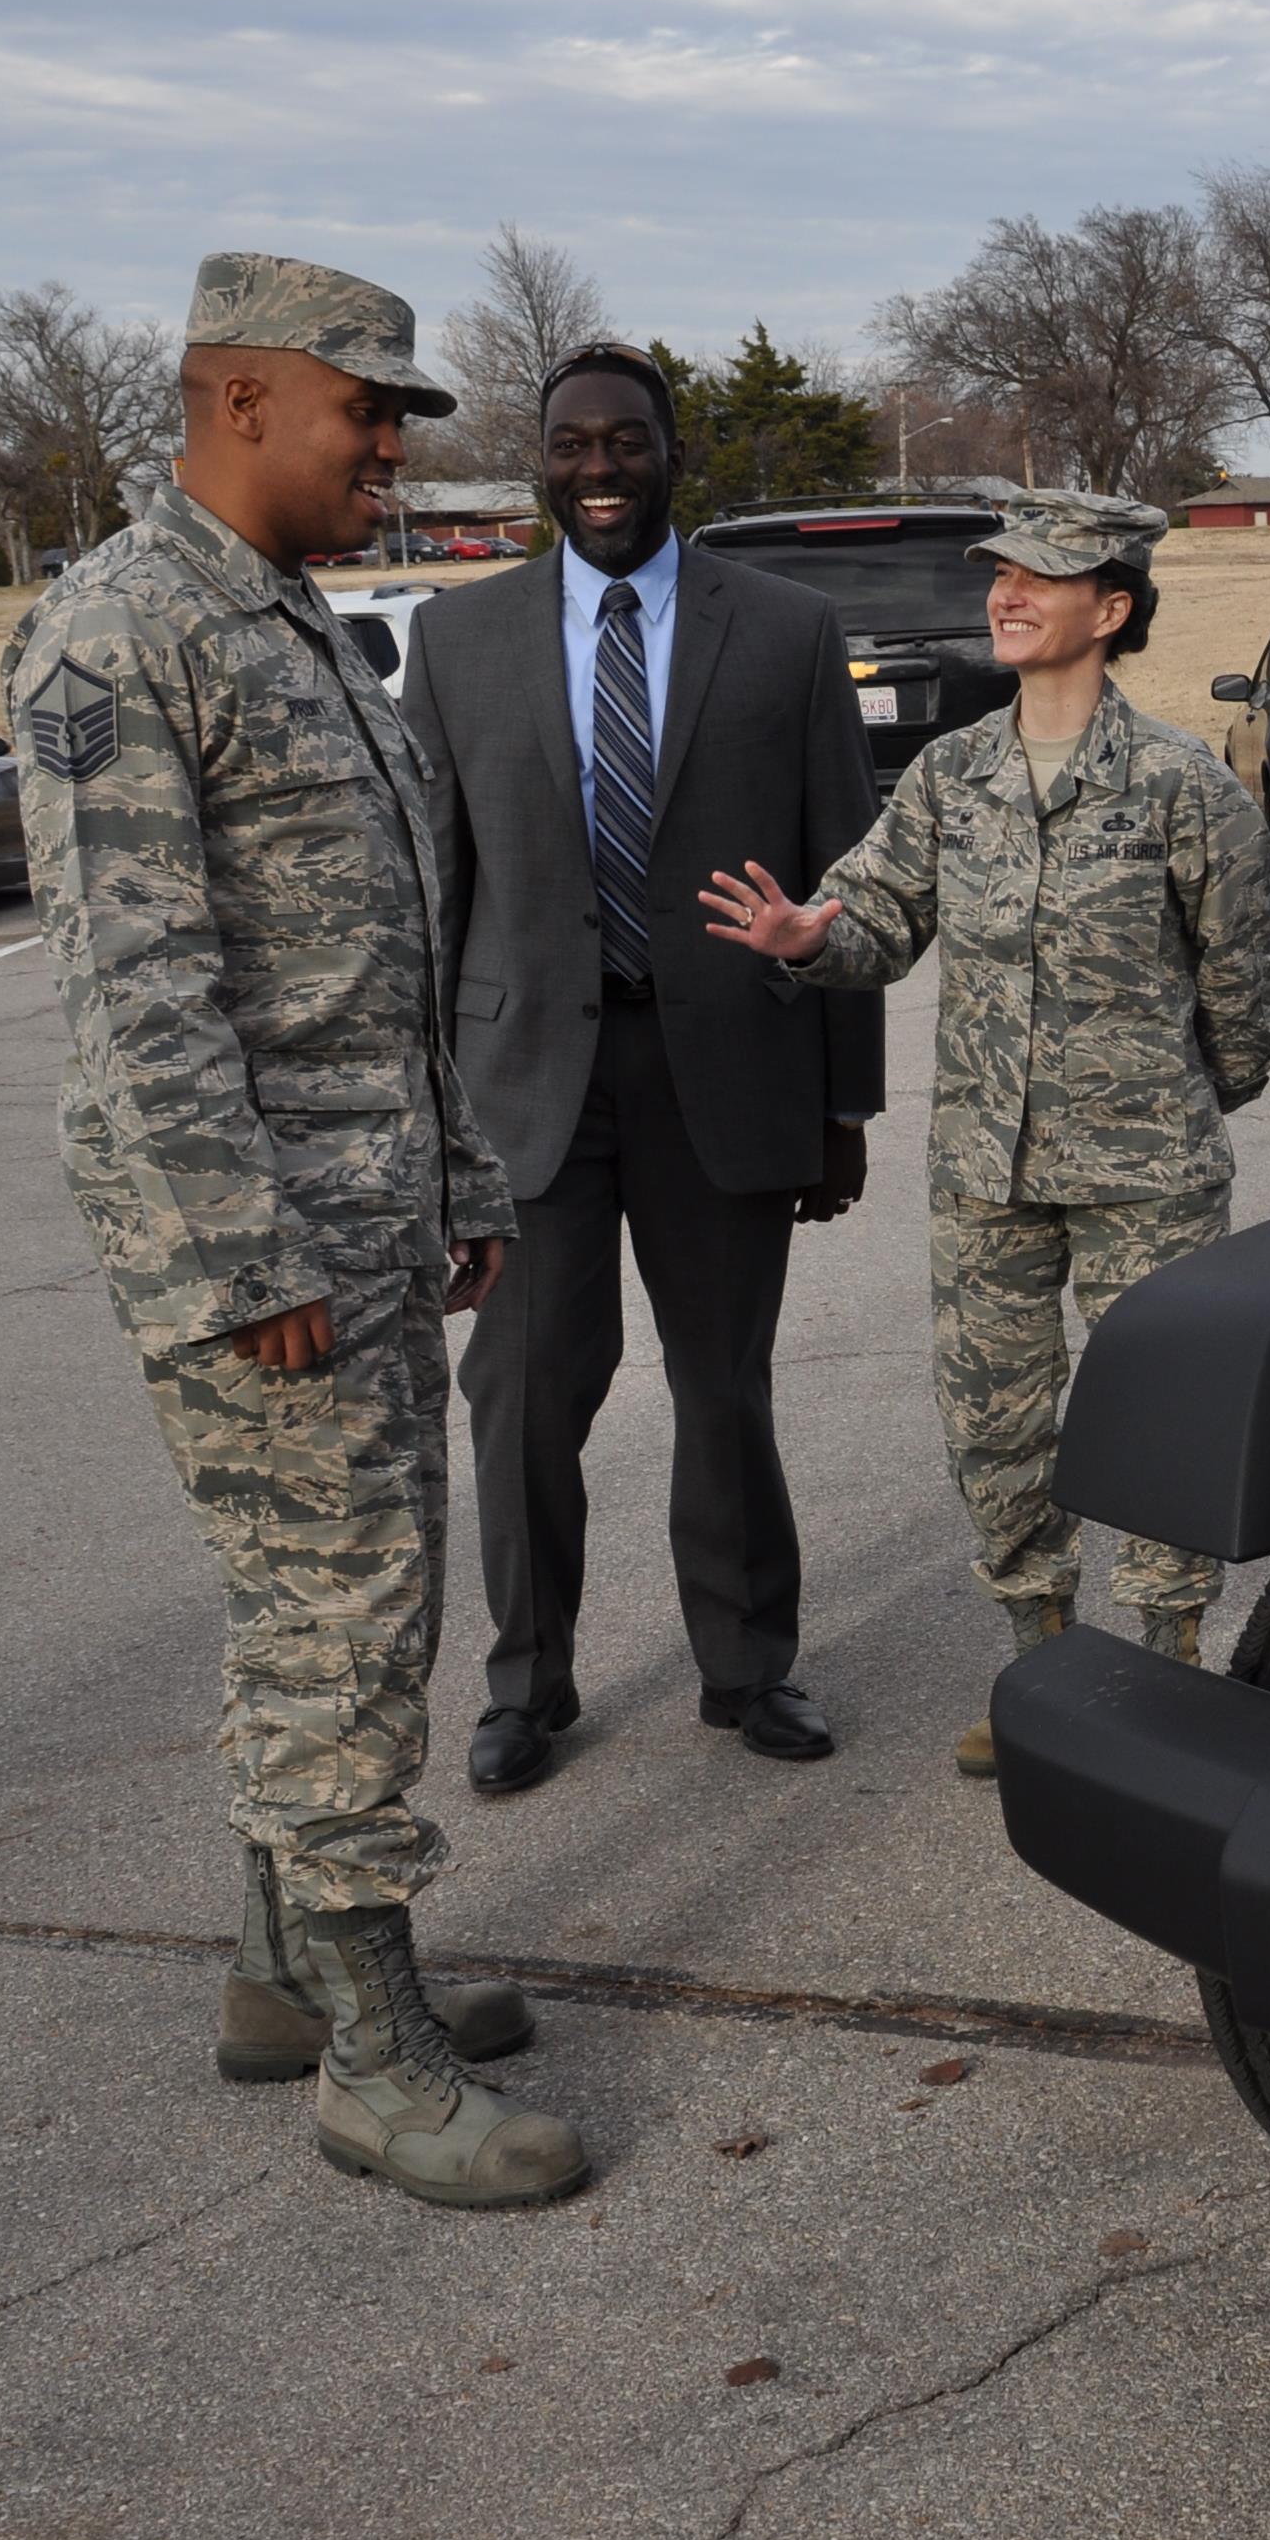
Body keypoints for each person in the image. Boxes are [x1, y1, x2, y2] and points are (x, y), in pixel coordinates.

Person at [7, 252, 584, 2209]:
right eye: (369, 410)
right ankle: (374, 2051)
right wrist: (244, 1258)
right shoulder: (121, 634)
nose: (393, 450)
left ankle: (283, 1969)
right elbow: (141, 1000)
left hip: (363, 1219)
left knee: (334, 1605)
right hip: (266, 1256)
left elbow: (383, 954)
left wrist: (456, 1182)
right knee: (340, 1627)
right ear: (242, 398)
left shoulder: (302, 626)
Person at [696, 488, 1270, 1774]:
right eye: (998, 574)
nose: (1004, 594)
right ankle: (1043, 1673)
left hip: (1148, 1180)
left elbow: (1250, 999)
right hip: (986, 1173)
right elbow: (876, 920)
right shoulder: (950, 776)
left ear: (1112, 607)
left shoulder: (1183, 786)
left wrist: (1172, 1111)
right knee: (996, 1422)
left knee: (1164, 1419)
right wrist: (812, 938)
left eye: (1038, 575)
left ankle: (1171, 1676)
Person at [407, 342, 883, 1791]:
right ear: (541, 461)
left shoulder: (790, 632)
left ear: (672, 455)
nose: (597, 468)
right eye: (569, 445)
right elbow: (433, 892)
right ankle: (526, 1686)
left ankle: (750, 1669)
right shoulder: (459, 637)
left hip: (725, 1075)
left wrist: (843, 1101)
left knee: (723, 1384)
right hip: (526, 1088)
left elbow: (847, 872)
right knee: (530, 1392)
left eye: (624, 441)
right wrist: (429, 1129)